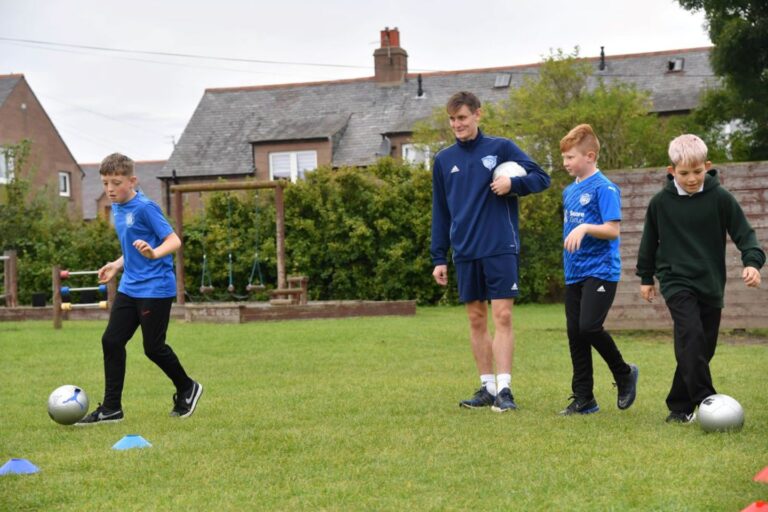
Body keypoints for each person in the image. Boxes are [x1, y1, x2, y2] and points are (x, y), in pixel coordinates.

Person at [431, 91, 550, 412]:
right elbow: (440, 212)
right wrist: (439, 257)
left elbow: (542, 177)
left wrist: (514, 186)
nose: (457, 124)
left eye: (463, 118)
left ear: (478, 115)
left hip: (500, 246)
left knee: (503, 315)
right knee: (475, 318)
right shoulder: (443, 160)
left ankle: (506, 389)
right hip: (465, 250)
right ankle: (487, 387)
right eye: (453, 119)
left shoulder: (501, 148)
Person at [636, 134, 764, 424]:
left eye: (697, 172)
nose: (691, 179)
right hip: (675, 280)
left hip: (710, 282)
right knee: (691, 335)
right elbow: (648, 242)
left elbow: (745, 234)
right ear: (671, 172)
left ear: (707, 166)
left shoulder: (721, 198)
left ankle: (679, 408)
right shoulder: (660, 203)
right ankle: (709, 400)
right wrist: (646, 277)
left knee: (702, 348)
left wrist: (752, 263)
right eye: (684, 174)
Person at [77, 153, 203, 424]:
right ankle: (111, 408)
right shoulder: (118, 209)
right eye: (105, 183)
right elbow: (134, 246)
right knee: (111, 341)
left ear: (132, 180)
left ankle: (187, 387)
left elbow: (174, 240)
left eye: (116, 182)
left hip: (156, 288)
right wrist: (117, 264)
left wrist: (154, 254)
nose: (109, 189)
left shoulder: (145, 207)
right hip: (130, 286)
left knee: (153, 348)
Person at [559, 124, 638, 416]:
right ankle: (584, 399)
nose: (565, 163)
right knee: (575, 334)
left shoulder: (604, 188)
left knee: (589, 326)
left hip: (601, 271)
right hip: (574, 272)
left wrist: (585, 227)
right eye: (564, 158)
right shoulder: (570, 191)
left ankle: (624, 373)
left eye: (570, 157)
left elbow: (612, 230)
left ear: (589, 156)